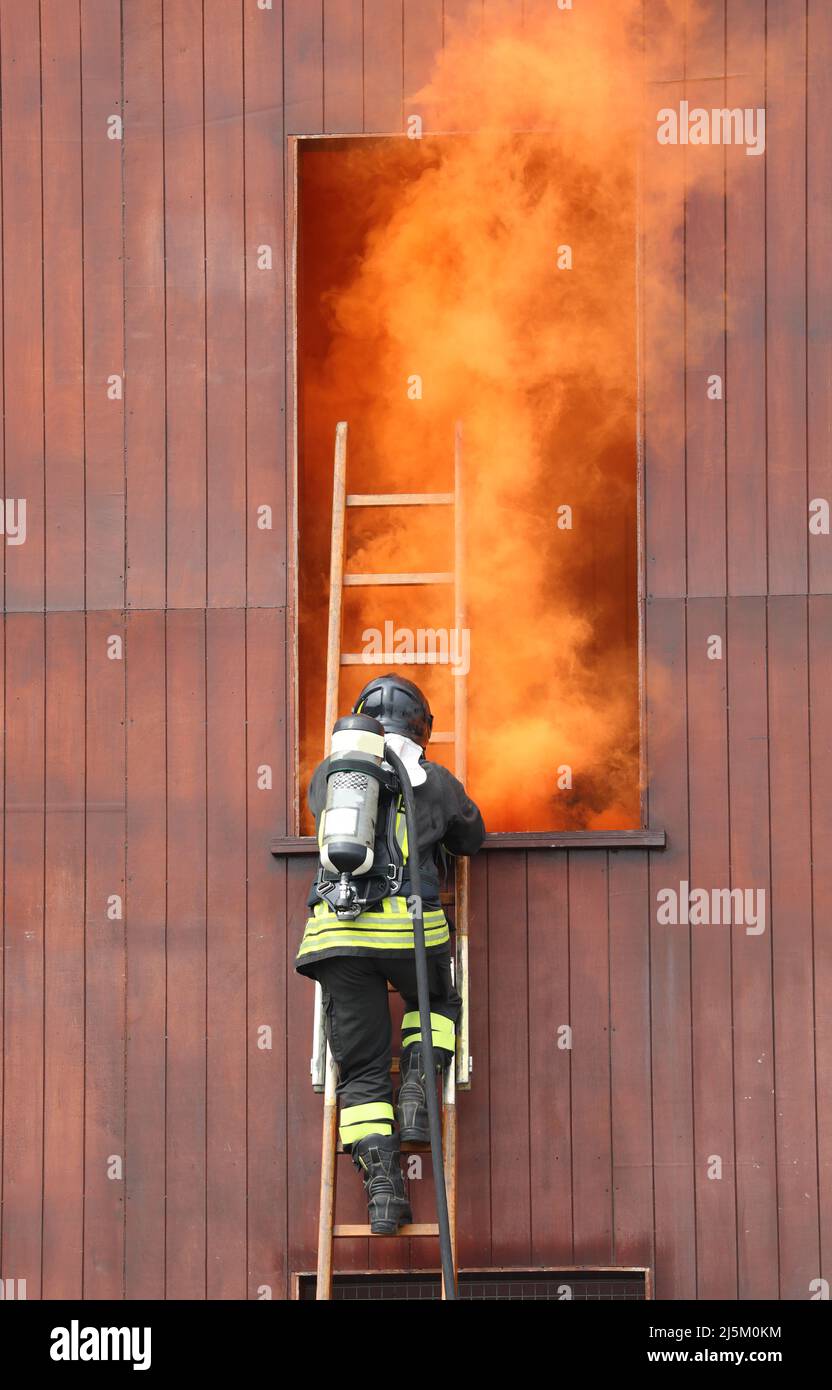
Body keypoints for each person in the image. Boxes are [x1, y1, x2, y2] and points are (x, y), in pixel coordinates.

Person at [294, 674, 485, 1234]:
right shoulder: (435, 778)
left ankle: (383, 1194)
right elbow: (471, 838)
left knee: (358, 1071)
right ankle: (419, 1095)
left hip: (336, 940)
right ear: (422, 728)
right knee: (439, 1006)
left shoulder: (332, 775)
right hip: (409, 934)